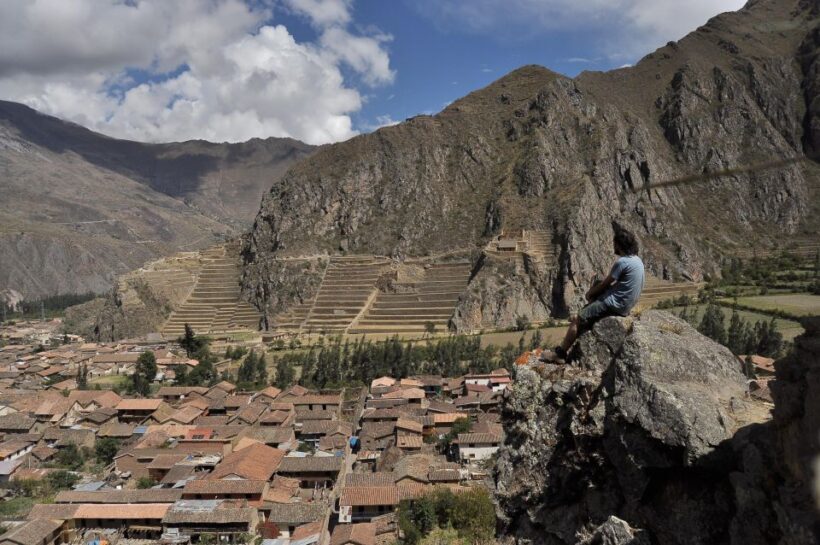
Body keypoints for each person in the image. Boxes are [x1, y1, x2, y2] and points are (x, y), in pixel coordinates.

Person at [542, 227, 644, 362]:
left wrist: (589, 293)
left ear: (619, 245)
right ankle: (589, 311)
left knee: (577, 319)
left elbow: (605, 284)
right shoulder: (637, 260)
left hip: (613, 305)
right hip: (626, 305)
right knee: (597, 282)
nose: (613, 246)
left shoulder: (622, 262)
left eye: (614, 243)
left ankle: (560, 354)